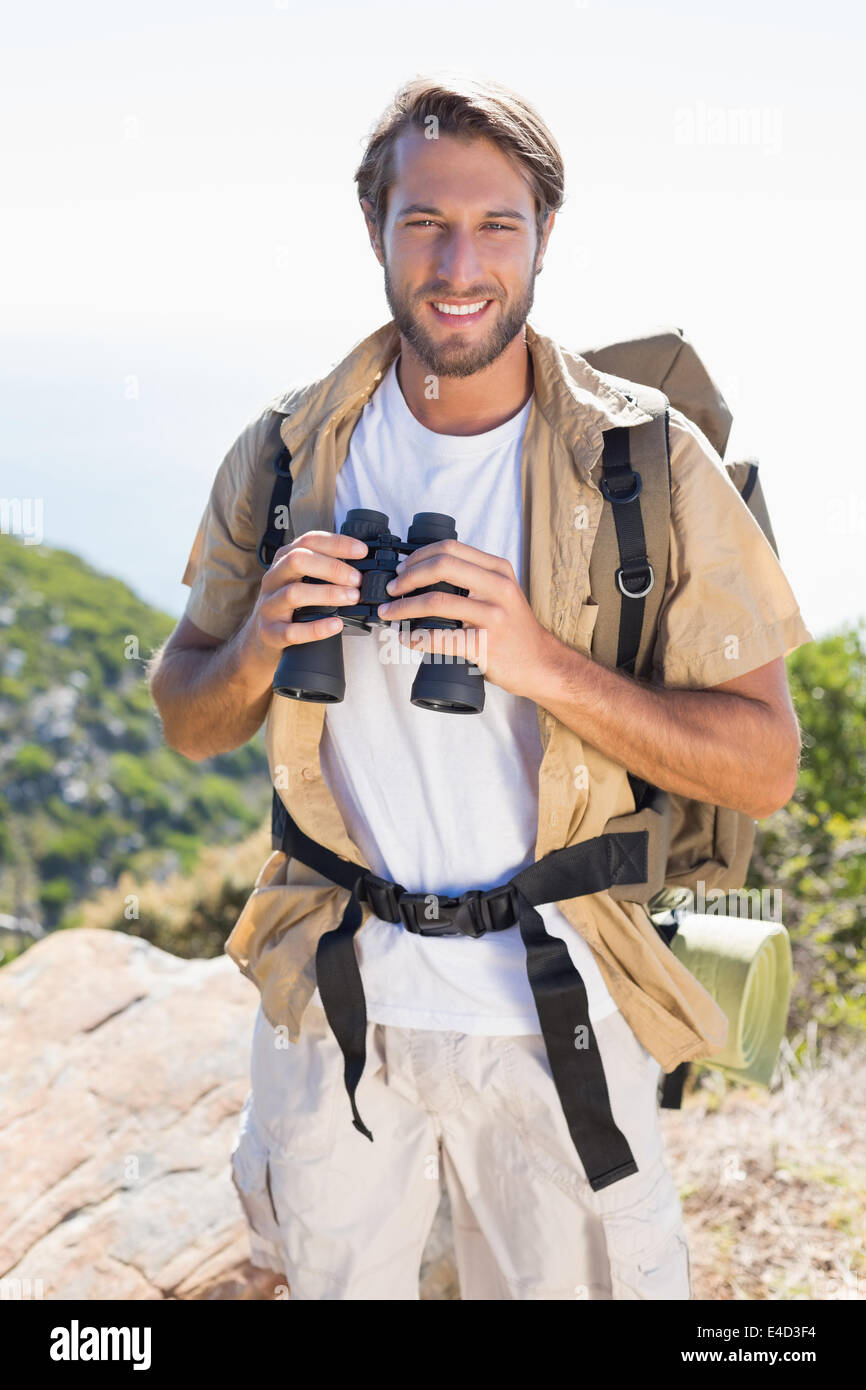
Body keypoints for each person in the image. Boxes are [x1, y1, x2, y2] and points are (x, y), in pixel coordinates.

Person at [148, 74, 813, 1300]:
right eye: (425, 223)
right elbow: (187, 713)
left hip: (555, 1003)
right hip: (334, 994)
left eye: (496, 225)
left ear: (544, 236)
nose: (460, 263)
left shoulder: (646, 462)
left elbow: (761, 759)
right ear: (375, 230)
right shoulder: (291, 449)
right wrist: (255, 649)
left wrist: (535, 659)